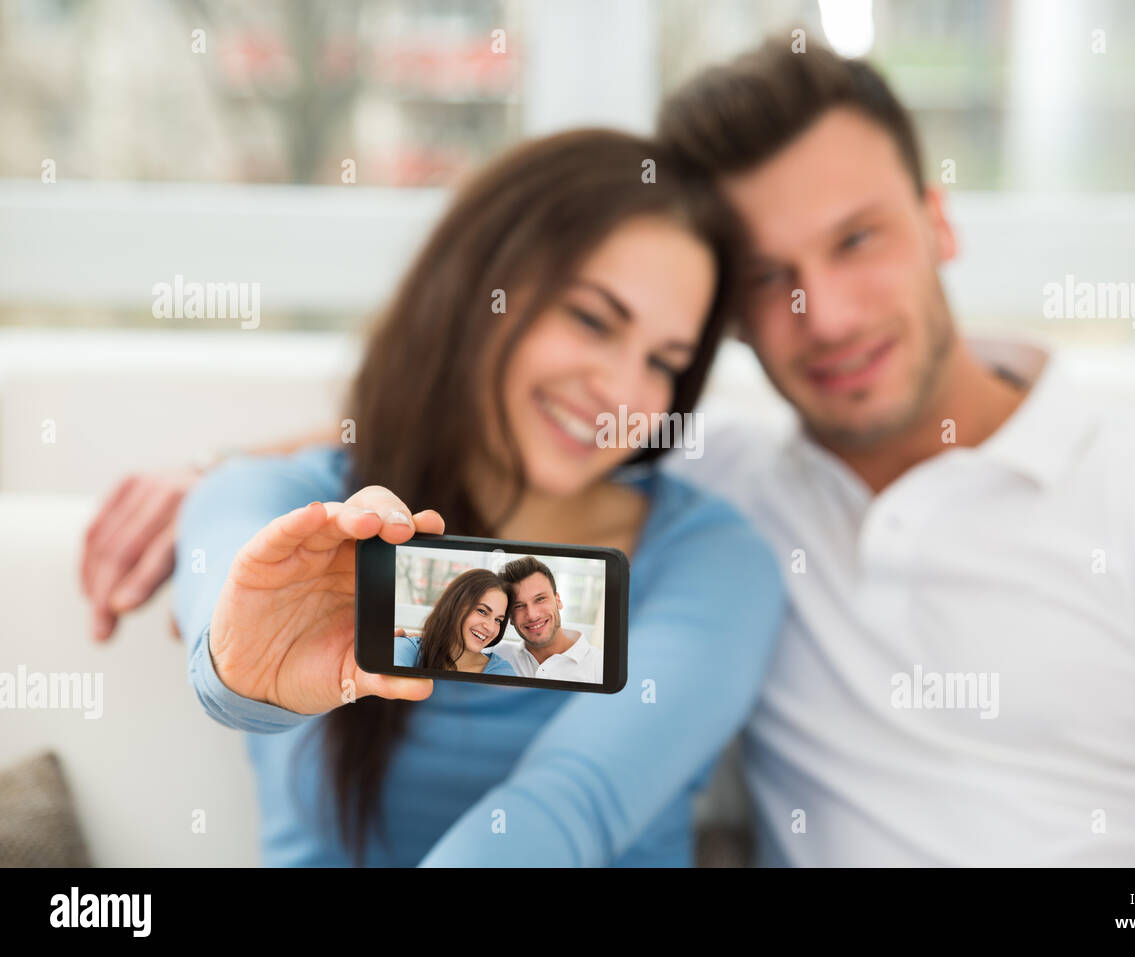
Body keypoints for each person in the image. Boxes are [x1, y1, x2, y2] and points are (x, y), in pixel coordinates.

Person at [651, 38, 1135, 866]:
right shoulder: (710, 495)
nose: (830, 317)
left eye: (857, 240)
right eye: (767, 276)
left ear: (938, 223)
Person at [163, 127, 786, 866]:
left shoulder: (714, 561)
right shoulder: (270, 498)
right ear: (478, 291)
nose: (622, 392)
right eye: (591, 319)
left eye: (662, 361)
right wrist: (244, 667)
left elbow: (564, 807)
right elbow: (224, 661)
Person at [492, 555, 603, 683]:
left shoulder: (599, 666)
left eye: (540, 599)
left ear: (558, 601)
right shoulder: (495, 657)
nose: (532, 615)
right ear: (509, 616)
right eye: (518, 606)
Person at [392, 568, 514, 676]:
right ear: (455, 605)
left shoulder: (501, 671)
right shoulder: (408, 648)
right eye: (482, 611)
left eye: (498, 620)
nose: (491, 628)